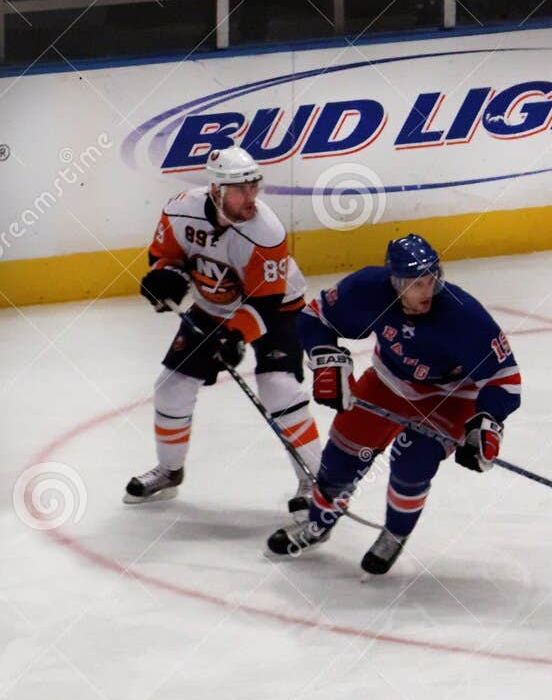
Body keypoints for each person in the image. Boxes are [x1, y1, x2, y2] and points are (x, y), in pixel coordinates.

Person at [264, 235, 522, 575]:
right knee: (342, 455)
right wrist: (326, 358)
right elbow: (314, 319)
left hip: (449, 396)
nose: (426, 291)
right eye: (416, 284)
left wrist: (487, 423)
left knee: (412, 459)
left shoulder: (463, 315)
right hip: (388, 381)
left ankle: (395, 533)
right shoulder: (367, 290)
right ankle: (318, 524)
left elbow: (504, 377)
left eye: (431, 280)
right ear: (395, 282)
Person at [127, 146, 321, 510]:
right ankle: (169, 472)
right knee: (171, 387)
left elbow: (265, 302)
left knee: (279, 389)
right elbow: (165, 256)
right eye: (240, 189)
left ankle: (315, 483)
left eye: (254, 186)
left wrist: (235, 337)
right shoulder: (179, 210)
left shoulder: (266, 232)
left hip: (281, 308)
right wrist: (163, 278)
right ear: (216, 190)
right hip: (214, 307)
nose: (251, 197)